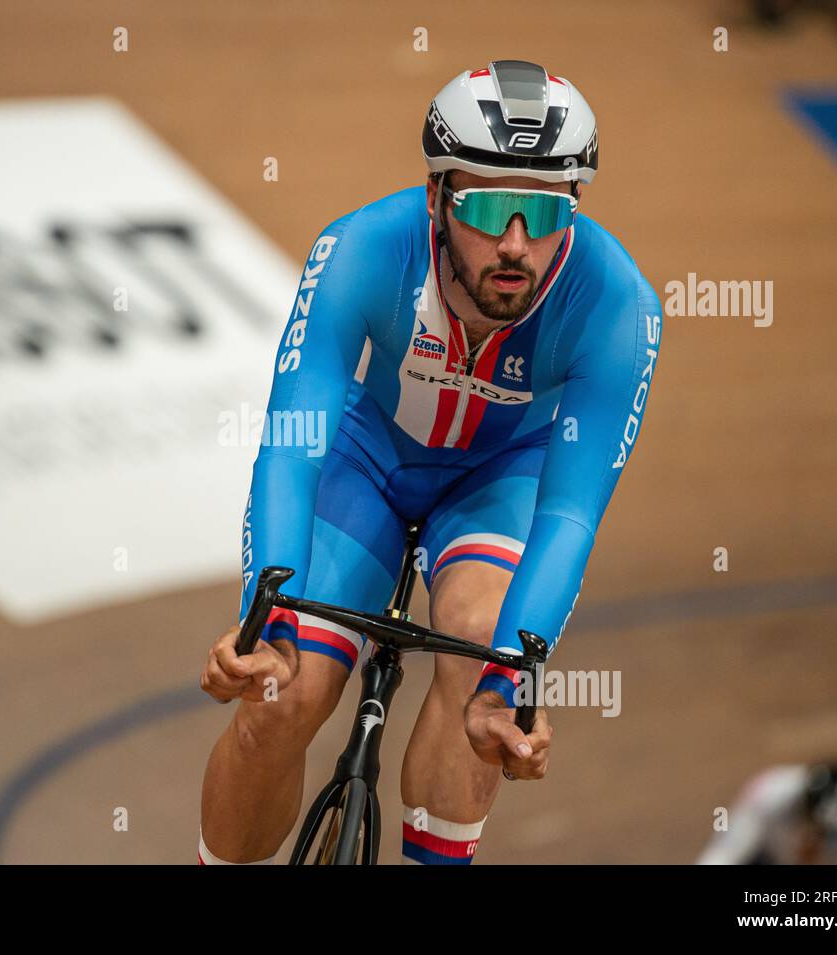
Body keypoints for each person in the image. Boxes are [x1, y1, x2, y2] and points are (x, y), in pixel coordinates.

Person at [198, 60, 662, 865]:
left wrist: (506, 683)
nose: (516, 243)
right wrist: (264, 613)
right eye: (486, 207)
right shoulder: (362, 249)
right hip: (366, 457)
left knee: (481, 655)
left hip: (501, 478)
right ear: (437, 198)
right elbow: (292, 440)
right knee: (280, 696)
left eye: (544, 213)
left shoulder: (619, 307)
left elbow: (568, 516)